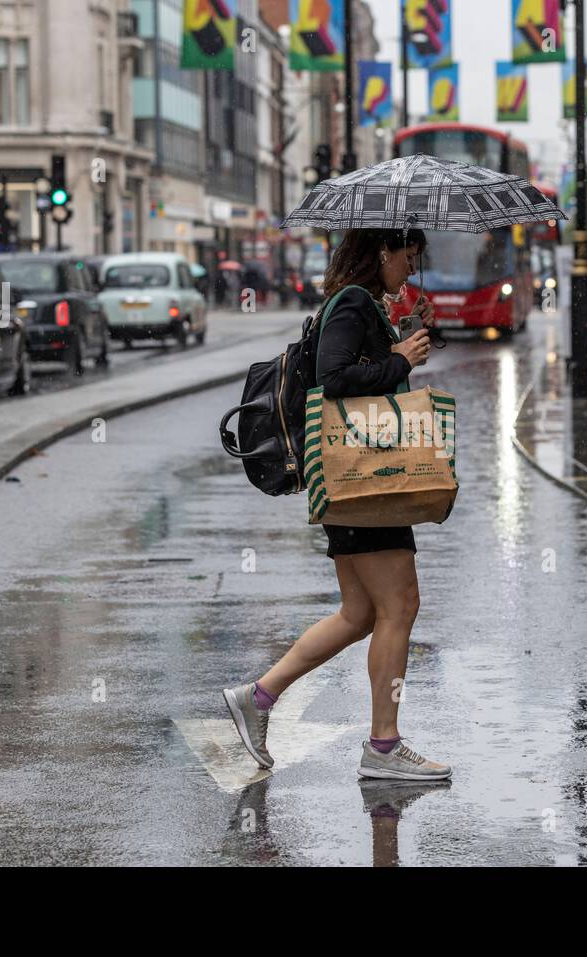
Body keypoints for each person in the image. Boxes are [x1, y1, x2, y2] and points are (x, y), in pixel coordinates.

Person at [222, 228, 452, 782]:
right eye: (407, 257)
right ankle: (383, 746)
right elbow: (335, 378)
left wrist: (403, 340)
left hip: (359, 484)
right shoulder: (351, 303)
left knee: (360, 614)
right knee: (400, 606)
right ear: (383, 252)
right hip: (366, 482)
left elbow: (359, 371)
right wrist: (398, 358)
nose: (410, 269)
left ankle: (258, 697)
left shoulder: (361, 303)